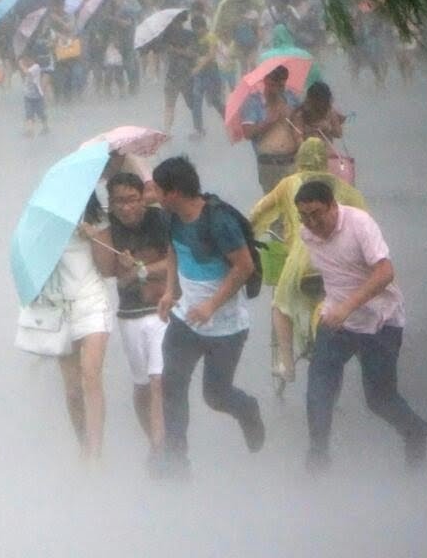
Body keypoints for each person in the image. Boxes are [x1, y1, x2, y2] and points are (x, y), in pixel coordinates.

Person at [295, 181, 427, 473]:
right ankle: (317, 458)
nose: (312, 223)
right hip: (336, 324)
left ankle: (415, 430)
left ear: (332, 205)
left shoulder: (359, 224)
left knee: (379, 400)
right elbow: (332, 273)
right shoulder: (307, 235)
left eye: (317, 214)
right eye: (304, 216)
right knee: (318, 390)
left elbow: (385, 272)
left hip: (380, 322)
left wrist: (347, 306)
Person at [153, 157, 265, 479]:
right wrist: (170, 292)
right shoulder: (171, 218)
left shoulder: (219, 222)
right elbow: (174, 251)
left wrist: (211, 306)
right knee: (172, 385)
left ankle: (247, 410)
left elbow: (244, 267)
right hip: (185, 321)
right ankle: (177, 462)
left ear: (174, 192)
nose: (156, 196)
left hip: (225, 328)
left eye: (159, 190)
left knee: (215, 395)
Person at [250, 138, 365, 384]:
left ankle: (287, 364)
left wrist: (247, 235)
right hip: (337, 262)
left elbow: (259, 212)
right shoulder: (343, 188)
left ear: (299, 159)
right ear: (324, 160)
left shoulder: (288, 184)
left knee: (281, 306)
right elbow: (365, 222)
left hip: (301, 262)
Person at [22, 196, 112, 464]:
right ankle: (84, 445)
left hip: (93, 302)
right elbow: (33, 271)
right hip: (60, 309)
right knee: (73, 389)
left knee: (90, 376)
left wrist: (93, 237)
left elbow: (108, 269)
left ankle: (95, 453)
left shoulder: (98, 220)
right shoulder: (45, 229)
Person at [92, 173, 169, 460]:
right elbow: (107, 271)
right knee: (142, 384)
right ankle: (154, 441)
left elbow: (176, 259)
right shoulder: (107, 233)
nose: (125, 208)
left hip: (161, 310)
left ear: (143, 198)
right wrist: (100, 244)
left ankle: (161, 448)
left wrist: (142, 270)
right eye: (118, 202)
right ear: (110, 204)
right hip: (130, 314)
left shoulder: (160, 220)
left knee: (158, 379)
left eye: (131, 200)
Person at [241, 64, 302, 194]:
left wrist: (294, 116)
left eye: (282, 85)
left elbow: (303, 120)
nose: (279, 89)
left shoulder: (290, 98)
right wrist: (269, 121)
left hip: (292, 162)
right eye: (275, 84)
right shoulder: (254, 102)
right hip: (268, 165)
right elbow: (247, 132)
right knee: (274, 206)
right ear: (266, 81)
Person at [188, 14, 226, 138]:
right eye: (195, 29)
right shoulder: (194, 38)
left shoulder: (211, 37)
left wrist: (198, 66)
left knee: (215, 100)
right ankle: (198, 129)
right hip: (199, 74)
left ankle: (228, 120)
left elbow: (211, 55)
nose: (197, 31)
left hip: (211, 73)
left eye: (199, 28)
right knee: (196, 101)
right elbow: (193, 52)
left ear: (204, 27)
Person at [161, 11, 198, 135]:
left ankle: (196, 127)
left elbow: (192, 54)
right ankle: (167, 131)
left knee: (189, 103)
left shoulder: (188, 35)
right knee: (172, 105)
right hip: (178, 75)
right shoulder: (168, 36)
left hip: (183, 76)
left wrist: (175, 50)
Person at [291, 81, 345, 148]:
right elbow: (297, 138)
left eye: (324, 103)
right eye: (318, 103)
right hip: (306, 150)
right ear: (310, 101)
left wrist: (328, 128)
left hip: (326, 151)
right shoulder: (300, 115)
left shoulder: (330, 112)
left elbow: (339, 134)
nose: (321, 106)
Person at [15, 54, 49, 138]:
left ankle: (45, 126)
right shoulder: (26, 68)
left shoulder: (36, 67)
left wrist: (21, 65)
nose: (26, 62)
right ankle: (30, 130)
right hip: (28, 96)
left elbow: (27, 72)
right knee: (29, 113)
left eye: (26, 60)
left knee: (40, 113)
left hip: (37, 96)